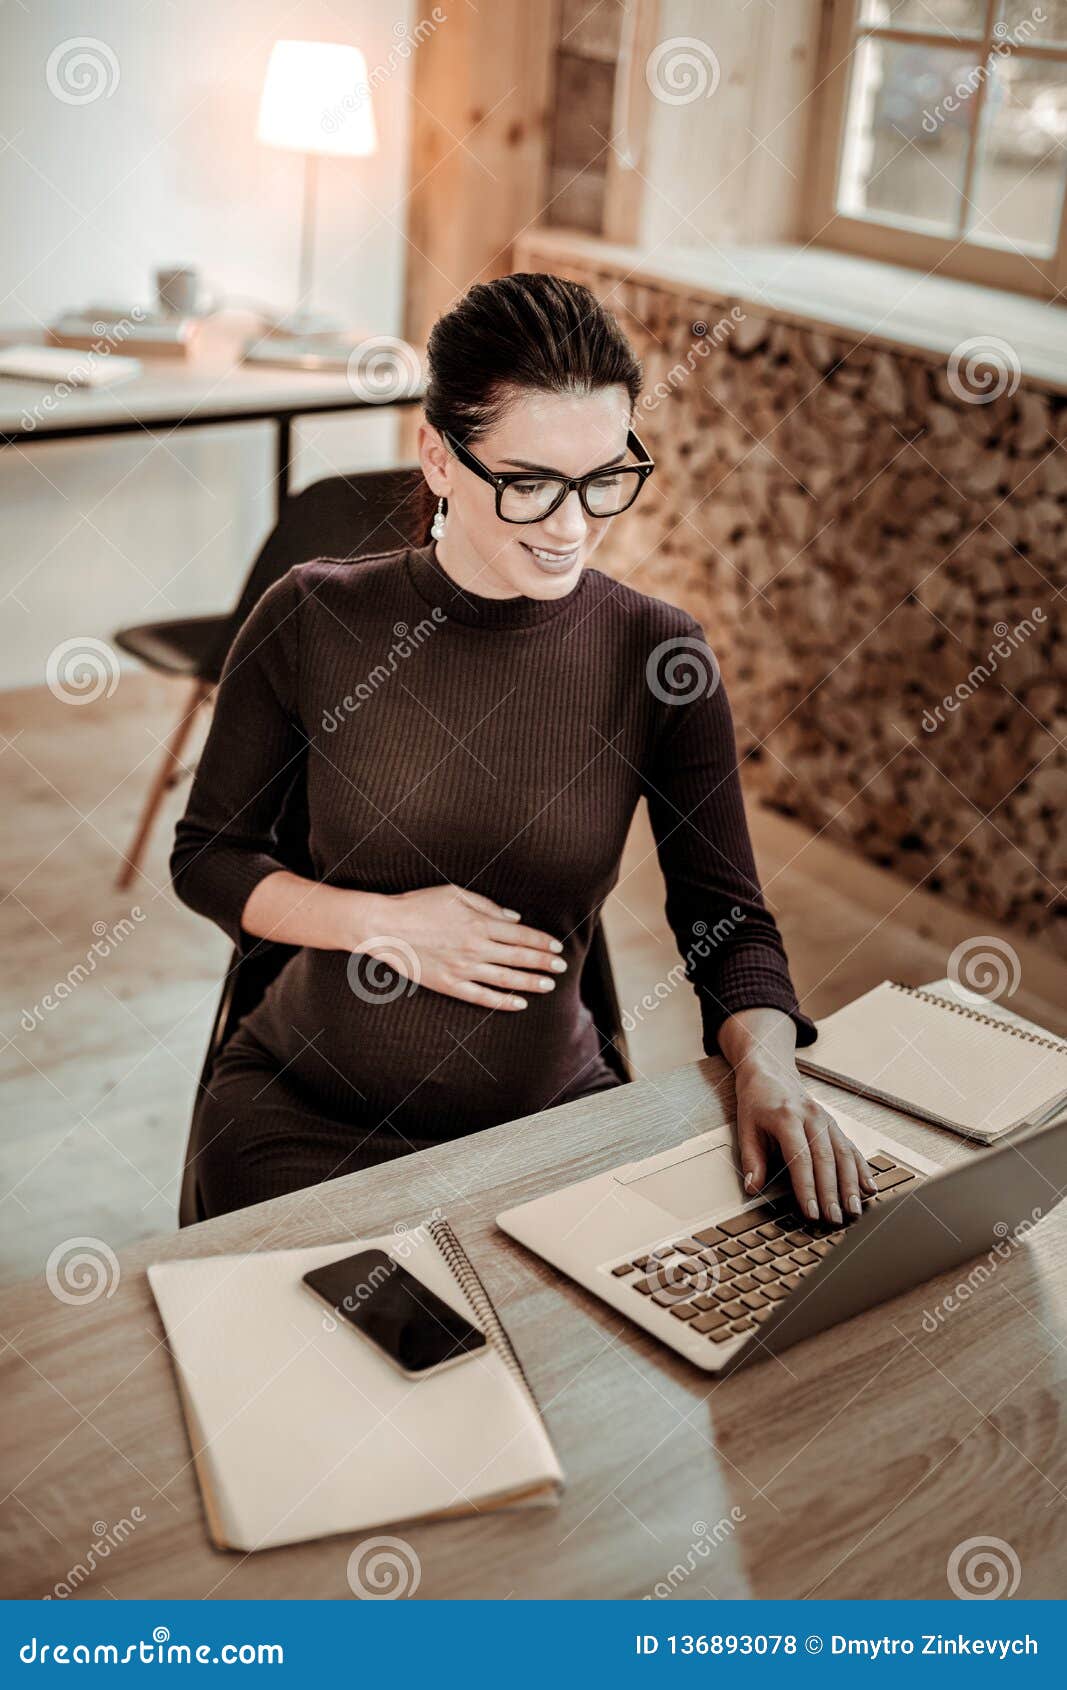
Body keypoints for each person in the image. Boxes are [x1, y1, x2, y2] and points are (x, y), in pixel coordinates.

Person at [171, 271, 874, 1221]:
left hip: (549, 1127)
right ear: (438, 457)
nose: (572, 525)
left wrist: (768, 1064)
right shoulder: (311, 615)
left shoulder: (657, 653)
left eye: (602, 479)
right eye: (531, 484)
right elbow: (208, 858)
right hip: (302, 1116)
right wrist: (380, 923)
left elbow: (728, 920)